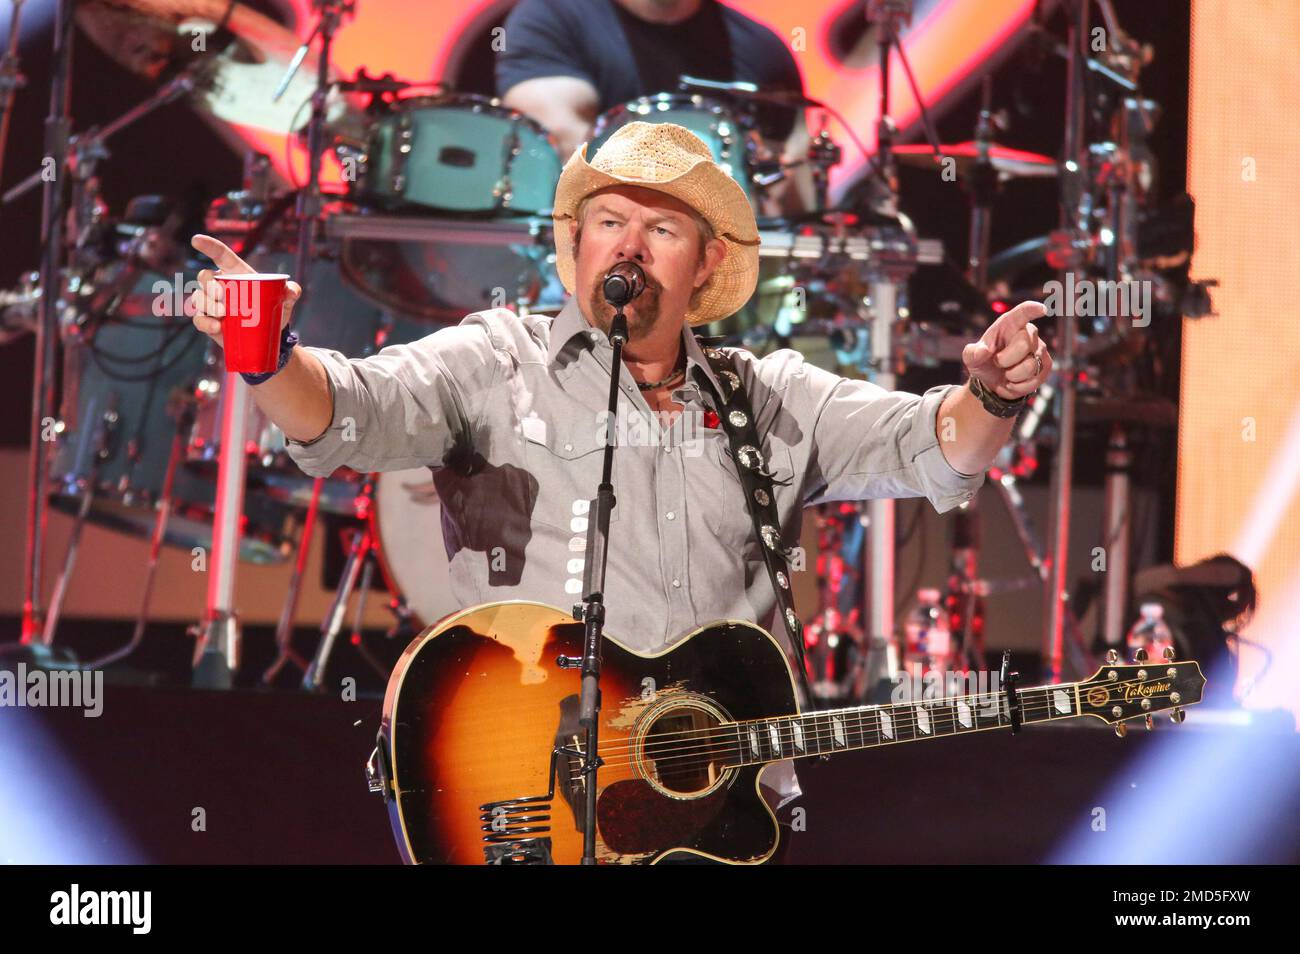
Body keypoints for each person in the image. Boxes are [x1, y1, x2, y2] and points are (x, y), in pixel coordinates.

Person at [188, 122, 1052, 863]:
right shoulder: (495, 363)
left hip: (724, 819)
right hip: (536, 805)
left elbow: (935, 444)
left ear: (707, 260)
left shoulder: (768, 397)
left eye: (660, 229)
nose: (628, 246)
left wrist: (995, 394)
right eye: (608, 220)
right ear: (579, 243)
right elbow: (343, 411)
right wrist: (264, 350)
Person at [496, 0, 814, 213]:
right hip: (582, 271)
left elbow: (793, 192)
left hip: (728, 281)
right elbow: (561, 157)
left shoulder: (764, 51)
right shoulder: (550, 19)